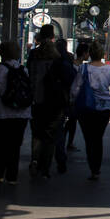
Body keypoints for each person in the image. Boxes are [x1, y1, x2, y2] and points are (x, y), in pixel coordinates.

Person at [69, 41, 110, 179]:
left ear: (90, 55)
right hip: (103, 109)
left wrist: (71, 102)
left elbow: (75, 89)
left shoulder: (83, 69)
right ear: (102, 54)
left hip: (85, 109)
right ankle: (96, 169)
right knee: (98, 138)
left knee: (89, 139)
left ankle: (92, 166)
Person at [27, 24, 69, 178]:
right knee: (50, 137)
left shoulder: (33, 55)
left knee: (37, 134)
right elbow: (66, 78)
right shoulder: (58, 56)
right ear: (53, 37)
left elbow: (29, 75)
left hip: (36, 100)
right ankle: (45, 169)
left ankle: (35, 160)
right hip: (54, 103)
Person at [0, 39, 32, 183]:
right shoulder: (23, 70)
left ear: (2, 53)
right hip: (21, 114)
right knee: (15, 146)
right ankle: (12, 176)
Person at [52, 38, 78, 175]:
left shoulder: (49, 60)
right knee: (59, 132)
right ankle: (61, 161)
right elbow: (73, 81)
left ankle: (39, 161)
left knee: (42, 134)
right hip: (62, 101)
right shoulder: (67, 60)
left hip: (45, 101)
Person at [65, 40, 90, 151]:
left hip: (73, 97)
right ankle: (67, 142)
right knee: (71, 121)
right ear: (84, 53)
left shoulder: (74, 64)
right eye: (87, 53)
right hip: (74, 98)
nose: (88, 55)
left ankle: (67, 142)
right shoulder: (80, 67)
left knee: (71, 121)